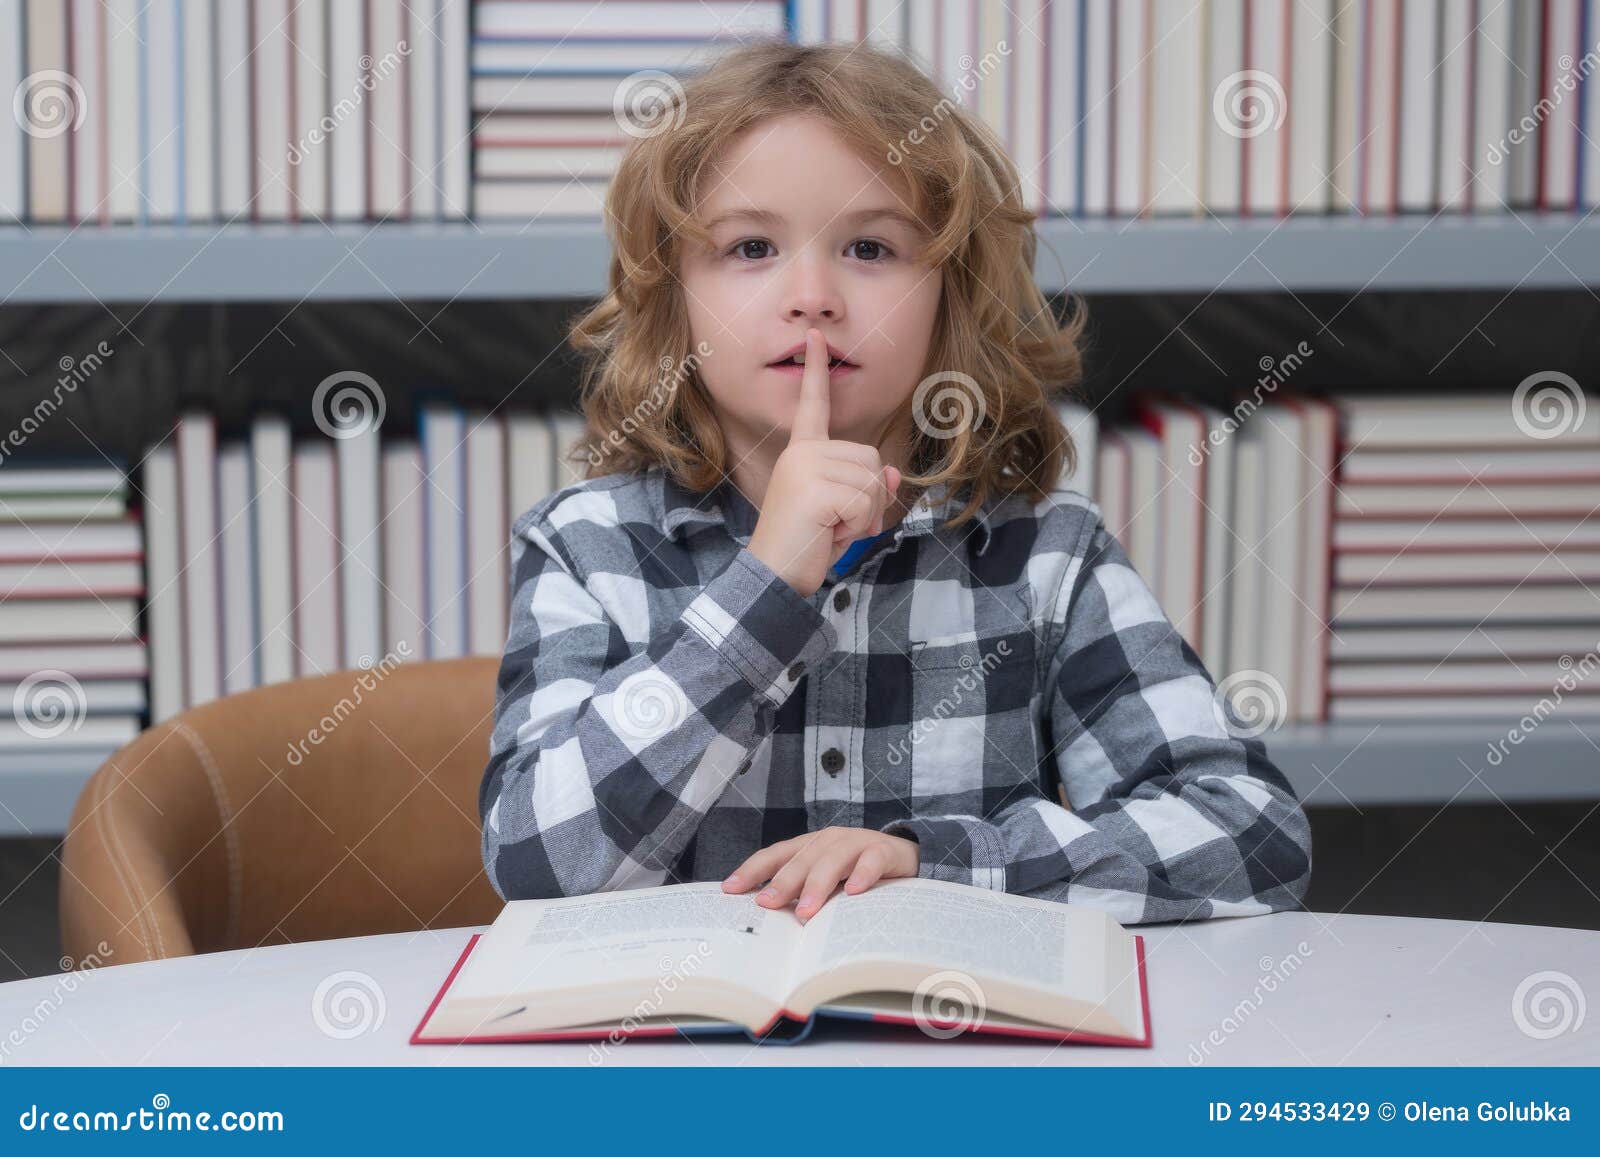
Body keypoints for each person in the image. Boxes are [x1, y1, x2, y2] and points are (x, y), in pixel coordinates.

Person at [479, 40, 1312, 925]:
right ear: (672, 297)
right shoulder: (586, 544)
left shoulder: (1047, 554)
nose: (813, 295)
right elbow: (536, 860)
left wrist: (937, 863)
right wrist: (766, 589)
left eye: (869, 247)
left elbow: (1253, 839)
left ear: (951, 298)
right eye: (751, 246)